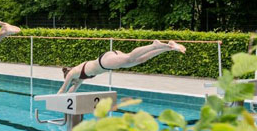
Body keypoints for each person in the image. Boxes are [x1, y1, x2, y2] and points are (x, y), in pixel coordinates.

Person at [58, 40, 187, 93]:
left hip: (104, 62)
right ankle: (168, 48)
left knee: (130, 57)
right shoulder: (80, 78)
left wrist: (52, 100)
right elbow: (71, 92)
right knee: (140, 60)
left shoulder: (73, 73)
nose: (72, 83)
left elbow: (63, 90)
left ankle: (154, 45)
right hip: (107, 62)